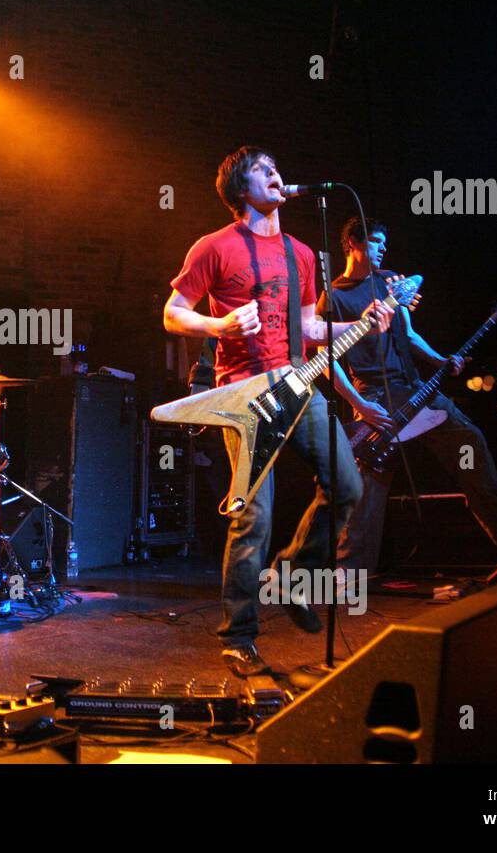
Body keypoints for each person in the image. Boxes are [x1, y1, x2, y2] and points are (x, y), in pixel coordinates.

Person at [162, 146, 392, 676]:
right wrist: (218, 327)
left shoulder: (302, 254)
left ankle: (292, 570)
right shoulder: (214, 246)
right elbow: (173, 314)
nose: (277, 175)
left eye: (275, 168)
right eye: (264, 171)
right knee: (253, 517)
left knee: (348, 486)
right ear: (243, 189)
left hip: (298, 384)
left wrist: (366, 325)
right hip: (243, 396)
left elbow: (311, 331)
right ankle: (238, 635)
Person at [323, 217, 497, 575]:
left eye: (384, 243)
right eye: (375, 241)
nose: (383, 248)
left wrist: (440, 359)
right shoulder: (334, 296)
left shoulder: (390, 281)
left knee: (468, 440)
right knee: (370, 477)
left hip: (415, 387)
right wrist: (360, 406)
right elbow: (326, 358)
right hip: (374, 395)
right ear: (353, 243)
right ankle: (350, 573)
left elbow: (410, 334)